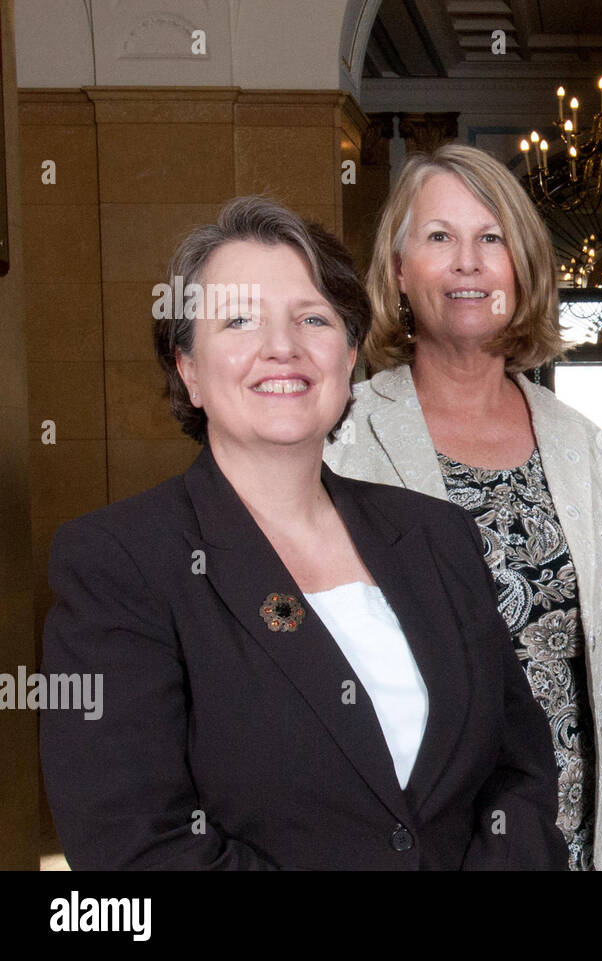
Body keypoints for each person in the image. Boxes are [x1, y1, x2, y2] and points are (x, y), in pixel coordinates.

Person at [40, 197, 568, 870]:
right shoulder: (119, 562)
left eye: (312, 318)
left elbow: (519, 772)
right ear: (189, 369)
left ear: (349, 356)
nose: (281, 347)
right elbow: (138, 846)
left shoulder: (438, 535)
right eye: (238, 320)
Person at [324, 145, 602, 871]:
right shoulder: (343, 440)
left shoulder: (587, 448)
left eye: (491, 238)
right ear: (398, 269)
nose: (467, 262)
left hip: (574, 839)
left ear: (522, 268)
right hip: (417, 843)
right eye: (439, 237)